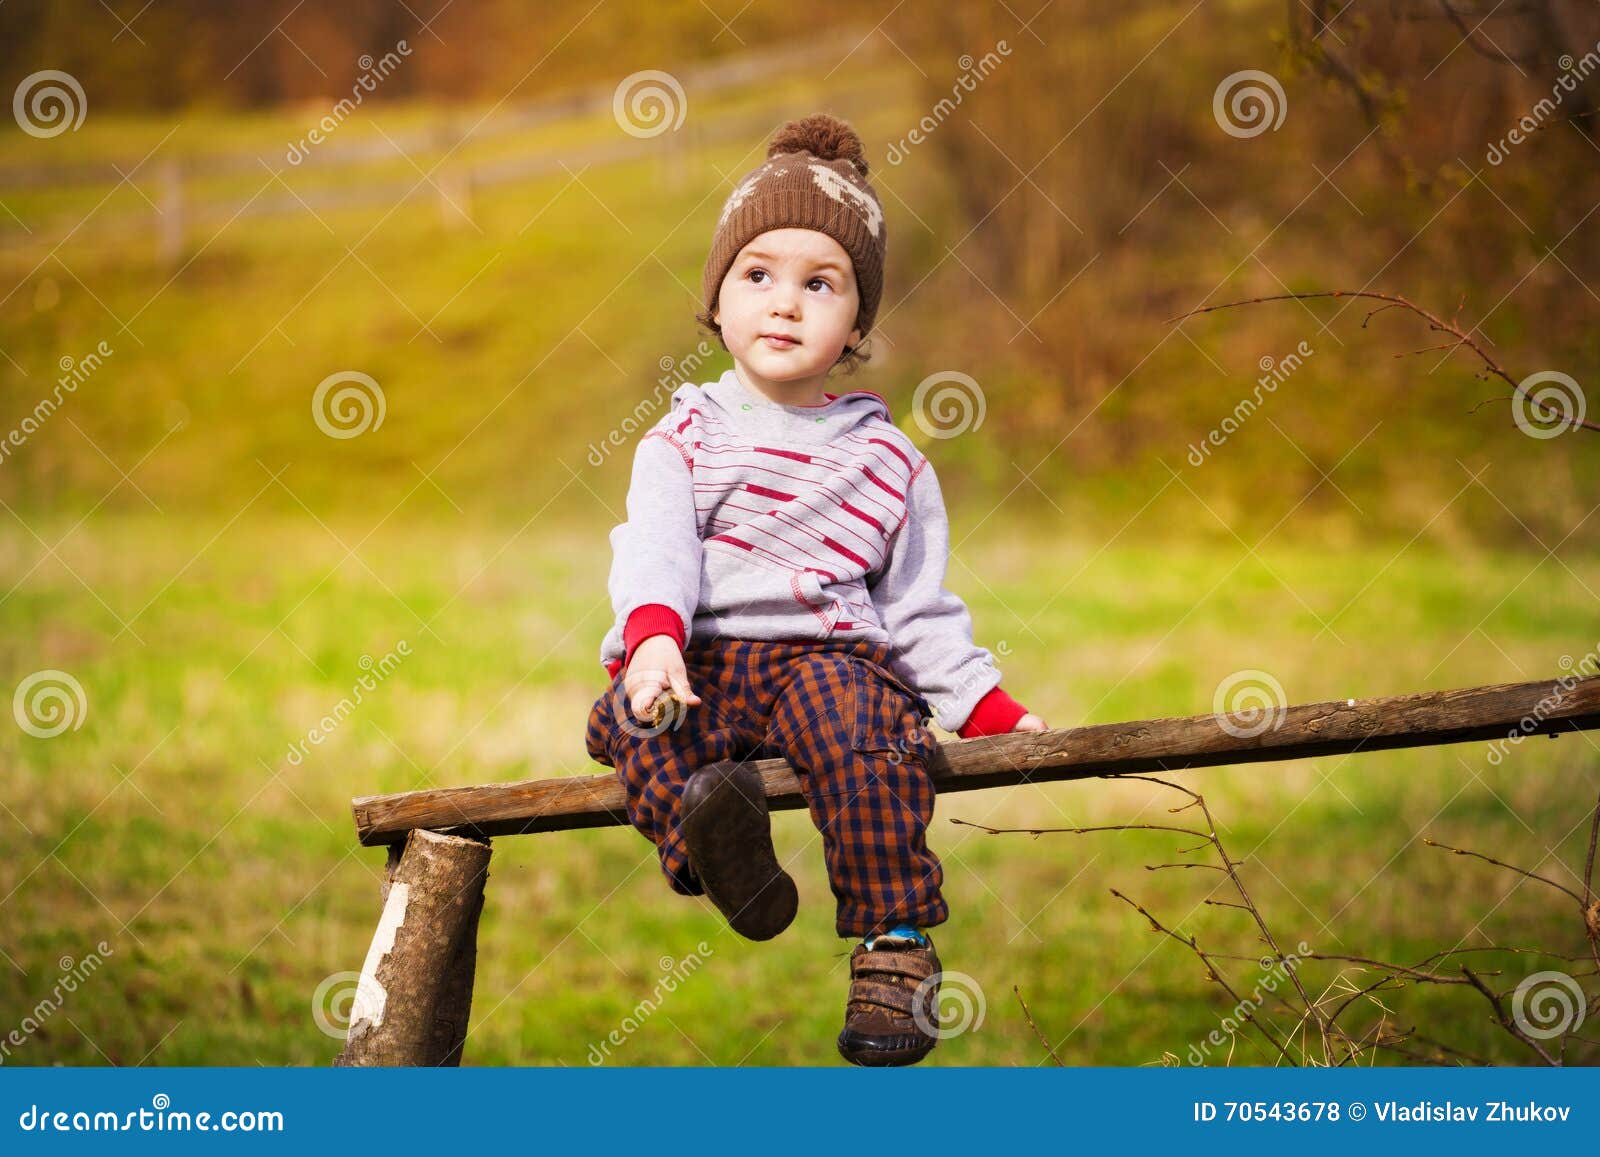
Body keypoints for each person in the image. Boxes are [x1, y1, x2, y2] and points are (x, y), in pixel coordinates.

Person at [584, 112, 1047, 1067]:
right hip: (698, 659)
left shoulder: (888, 460)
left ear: (857, 322)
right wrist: (654, 644)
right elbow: (655, 549)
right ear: (718, 297)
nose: (784, 303)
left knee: (867, 737)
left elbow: (918, 607)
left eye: (819, 283)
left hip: (822, 660)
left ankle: (894, 951)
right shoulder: (684, 439)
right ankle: (718, 847)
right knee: (635, 724)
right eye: (757, 274)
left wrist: (984, 702)